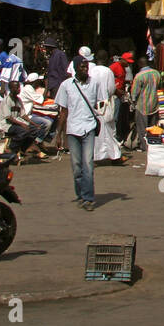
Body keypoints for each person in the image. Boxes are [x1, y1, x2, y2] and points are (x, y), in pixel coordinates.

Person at [56, 55, 105, 211]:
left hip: (89, 127)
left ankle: (89, 198)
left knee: (88, 164)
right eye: (82, 67)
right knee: (77, 167)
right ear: (76, 68)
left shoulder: (94, 84)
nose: (85, 69)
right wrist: (58, 134)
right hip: (72, 129)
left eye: (86, 67)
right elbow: (63, 111)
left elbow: (101, 102)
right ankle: (80, 195)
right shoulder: (66, 86)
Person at [91, 50, 126, 165]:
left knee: (97, 132)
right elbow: (111, 88)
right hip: (105, 104)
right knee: (109, 130)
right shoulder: (108, 71)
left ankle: (96, 155)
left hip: (93, 104)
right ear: (106, 59)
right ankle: (115, 156)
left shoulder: (91, 71)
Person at [129, 57, 161, 151]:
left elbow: (134, 92)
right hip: (154, 103)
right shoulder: (156, 73)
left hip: (142, 105)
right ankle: (153, 144)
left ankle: (145, 146)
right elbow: (160, 86)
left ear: (139, 64)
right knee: (153, 127)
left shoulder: (139, 76)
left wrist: (133, 102)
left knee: (142, 128)